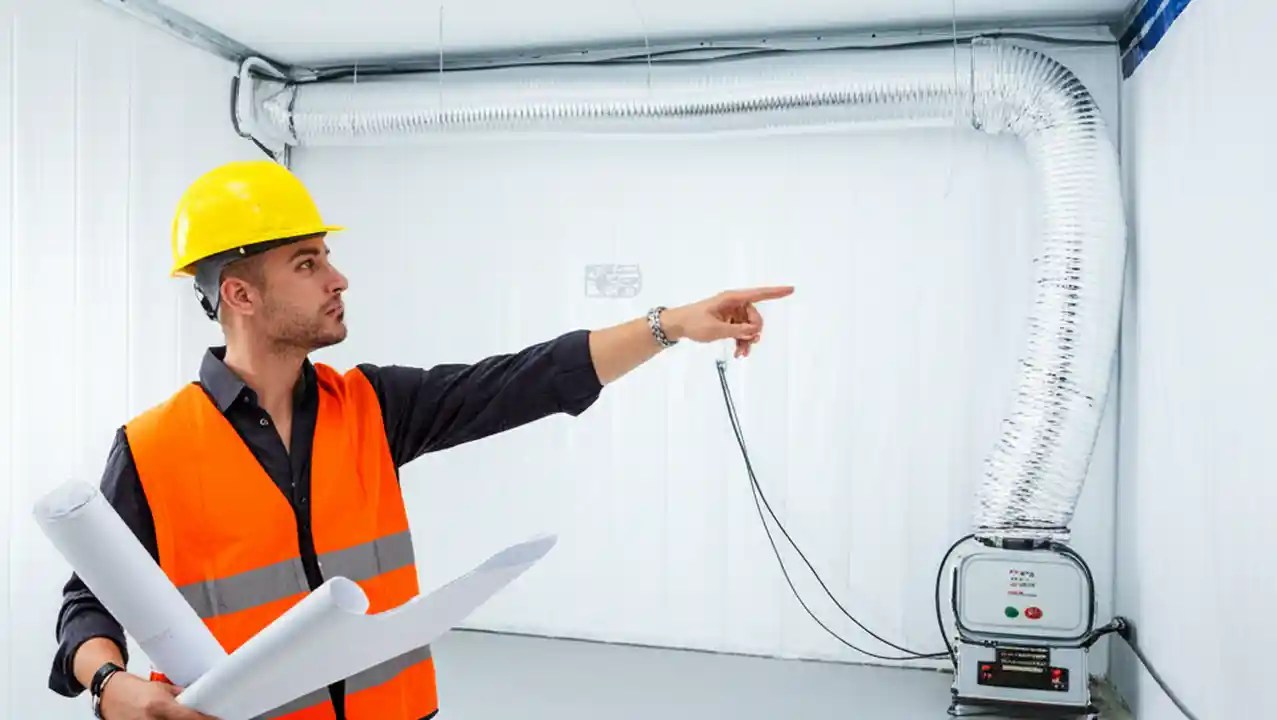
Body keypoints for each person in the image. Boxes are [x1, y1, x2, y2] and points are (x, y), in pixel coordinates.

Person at [47, 159, 793, 720]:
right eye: (308, 263)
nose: (338, 278)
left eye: (326, 256)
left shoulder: (370, 406)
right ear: (240, 294)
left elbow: (525, 380)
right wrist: (109, 684)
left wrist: (671, 325)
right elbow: (88, 600)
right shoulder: (152, 447)